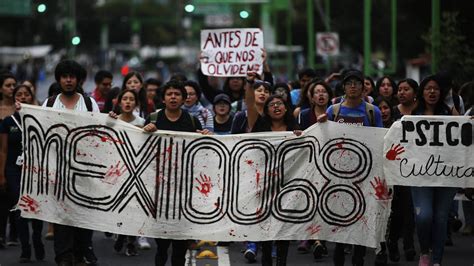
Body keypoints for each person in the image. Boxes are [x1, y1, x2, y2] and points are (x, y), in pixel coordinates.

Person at [143, 80, 210, 266]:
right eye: (169, 94)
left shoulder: (191, 121)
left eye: (177, 94)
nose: (173, 97)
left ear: (183, 98)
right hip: (159, 190)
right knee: (162, 244)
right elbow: (140, 149)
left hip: (184, 189)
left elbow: (201, 152)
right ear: (163, 99)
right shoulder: (154, 119)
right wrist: (144, 131)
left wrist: (206, 138)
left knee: (180, 244)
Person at [42, 59, 100, 266]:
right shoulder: (49, 103)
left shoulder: (88, 103)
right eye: (65, 76)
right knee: (61, 217)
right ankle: (63, 255)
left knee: (83, 215)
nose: (68, 80)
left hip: (84, 172)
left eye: (72, 76)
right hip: (57, 172)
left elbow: (98, 133)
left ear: (78, 80)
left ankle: (81, 252)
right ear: (59, 79)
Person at [325, 70, 383, 266]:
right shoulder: (333, 111)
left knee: (361, 216)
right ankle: (339, 253)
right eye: (349, 83)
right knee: (340, 215)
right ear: (343, 87)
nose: (352, 86)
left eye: (357, 83)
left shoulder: (371, 111)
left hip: (364, 174)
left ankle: (358, 256)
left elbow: (380, 139)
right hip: (338, 174)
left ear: (363, 87)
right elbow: (324, 140)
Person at [245, 72, 300, 266]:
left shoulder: (295, 131)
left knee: (284, 226)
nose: (276, 107)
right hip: (264, 184)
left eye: (280, 104)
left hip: (288, 184)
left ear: (287, 108)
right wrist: (250, 83)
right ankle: (267, 259)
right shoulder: (259, 127)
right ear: (266, 111)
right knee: (266, 225)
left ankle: (282, 261)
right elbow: (250, 105)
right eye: (272, 105)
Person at [410, 74, 459, 266]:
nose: (432, 92)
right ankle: (424, 251)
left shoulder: (448, 112)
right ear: (422, 92)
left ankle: (436, 260)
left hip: (445, 174)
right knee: (424, 217)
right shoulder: (413, 114)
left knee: (440, 218)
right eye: (428, 88)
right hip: (420, 174)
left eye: (436, 89)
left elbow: (462, 130)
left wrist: (451, 103)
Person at [0, 84, 44, 262]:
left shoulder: (40, 120)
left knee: (36, 207)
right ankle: (25, 249)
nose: (23, 97)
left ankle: (37, 239)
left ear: (31, 98)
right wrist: (2, 175)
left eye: (26, 95)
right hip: (14, 170)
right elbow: (3, 150)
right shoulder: (7, 122)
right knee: (20, 207)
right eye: (19, 94)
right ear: (14, 98)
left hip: (35, 170)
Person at [381, 79, 418, 264]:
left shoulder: (422, 114)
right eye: (400, 90)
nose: (402, 92)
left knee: (410, 209)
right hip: (395, 169)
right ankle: (393, 241)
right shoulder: (392, 112)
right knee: (398, 210)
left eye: (407, 89)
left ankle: (409, 245)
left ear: (414, 93)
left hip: (418, 167)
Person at [108, 89, 145, 256]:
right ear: (120, 102)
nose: (128, 102)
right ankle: (121, 234)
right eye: (125, 99)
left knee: (134, 207)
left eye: (131, 99)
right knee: (120, 206)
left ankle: (130, 241)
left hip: (136, 170)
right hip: (117, 170)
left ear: (136, 103)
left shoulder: (142, 121)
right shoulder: (112, 121)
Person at [0, 72, 18, 248]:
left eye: (14, 85)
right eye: (8, 85)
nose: (12, 88)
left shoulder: (21, 108)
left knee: (13, 195)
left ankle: (14, 232)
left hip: (14, 158)